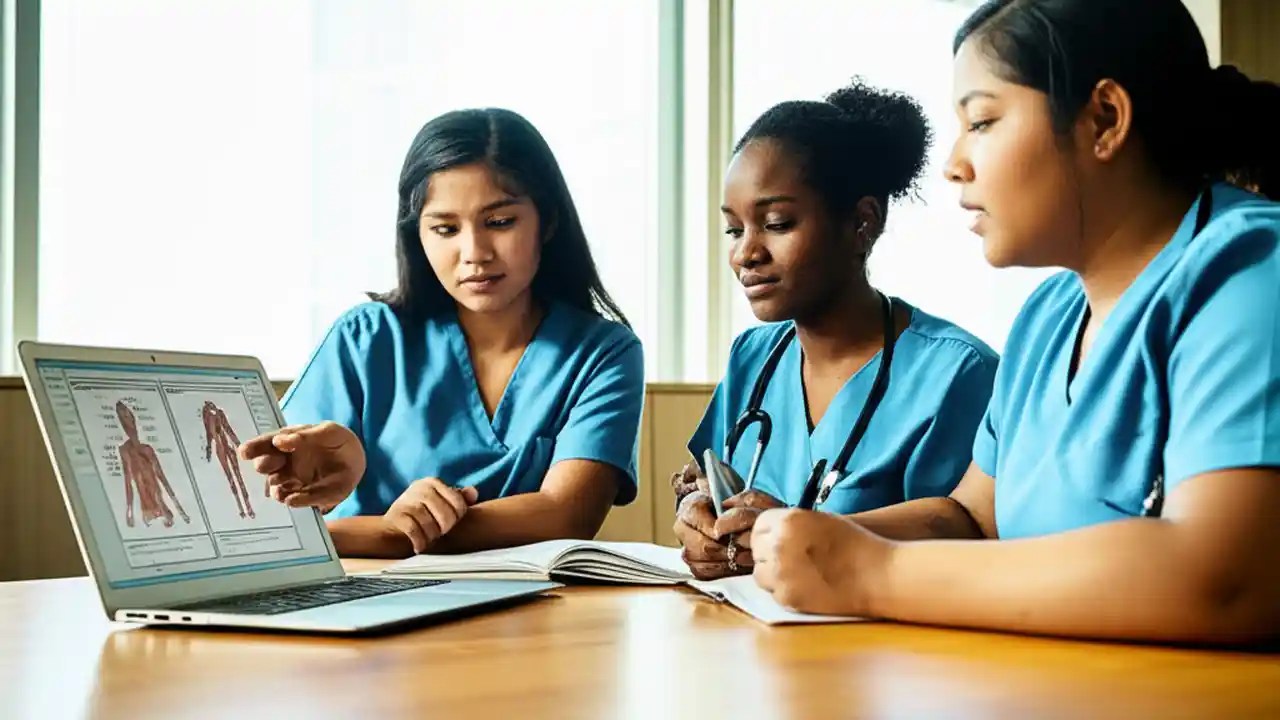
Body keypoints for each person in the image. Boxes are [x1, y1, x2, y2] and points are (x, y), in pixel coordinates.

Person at [749, 0, 1280, 645]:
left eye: (982, 121)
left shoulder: (1252, 273)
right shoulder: (1048, 317)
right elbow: (974, 517)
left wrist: (874, 572)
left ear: (1104, 120)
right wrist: (805, 537)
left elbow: (1226, 576)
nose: (953, 164)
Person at [239, 108, 645, 558]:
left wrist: (398, 532)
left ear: (547, 220)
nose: (474, 253)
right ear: (418, 234)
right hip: (359, 591)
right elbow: (269, 521)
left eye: (500, 222)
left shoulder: (605, 353)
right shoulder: (365, 339)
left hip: (531, 600)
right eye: (445, 229)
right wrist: (319, 486)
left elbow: (567, 515)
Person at [673, 80, 999, 580]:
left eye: (777, 223)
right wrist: (699, 518)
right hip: (744, 620)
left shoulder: (960, 374)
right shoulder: (752, 358)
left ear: (862, 222)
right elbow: (710, 486)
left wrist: (803, 534)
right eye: (734, 230)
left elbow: (970, 538)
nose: (745, 253)